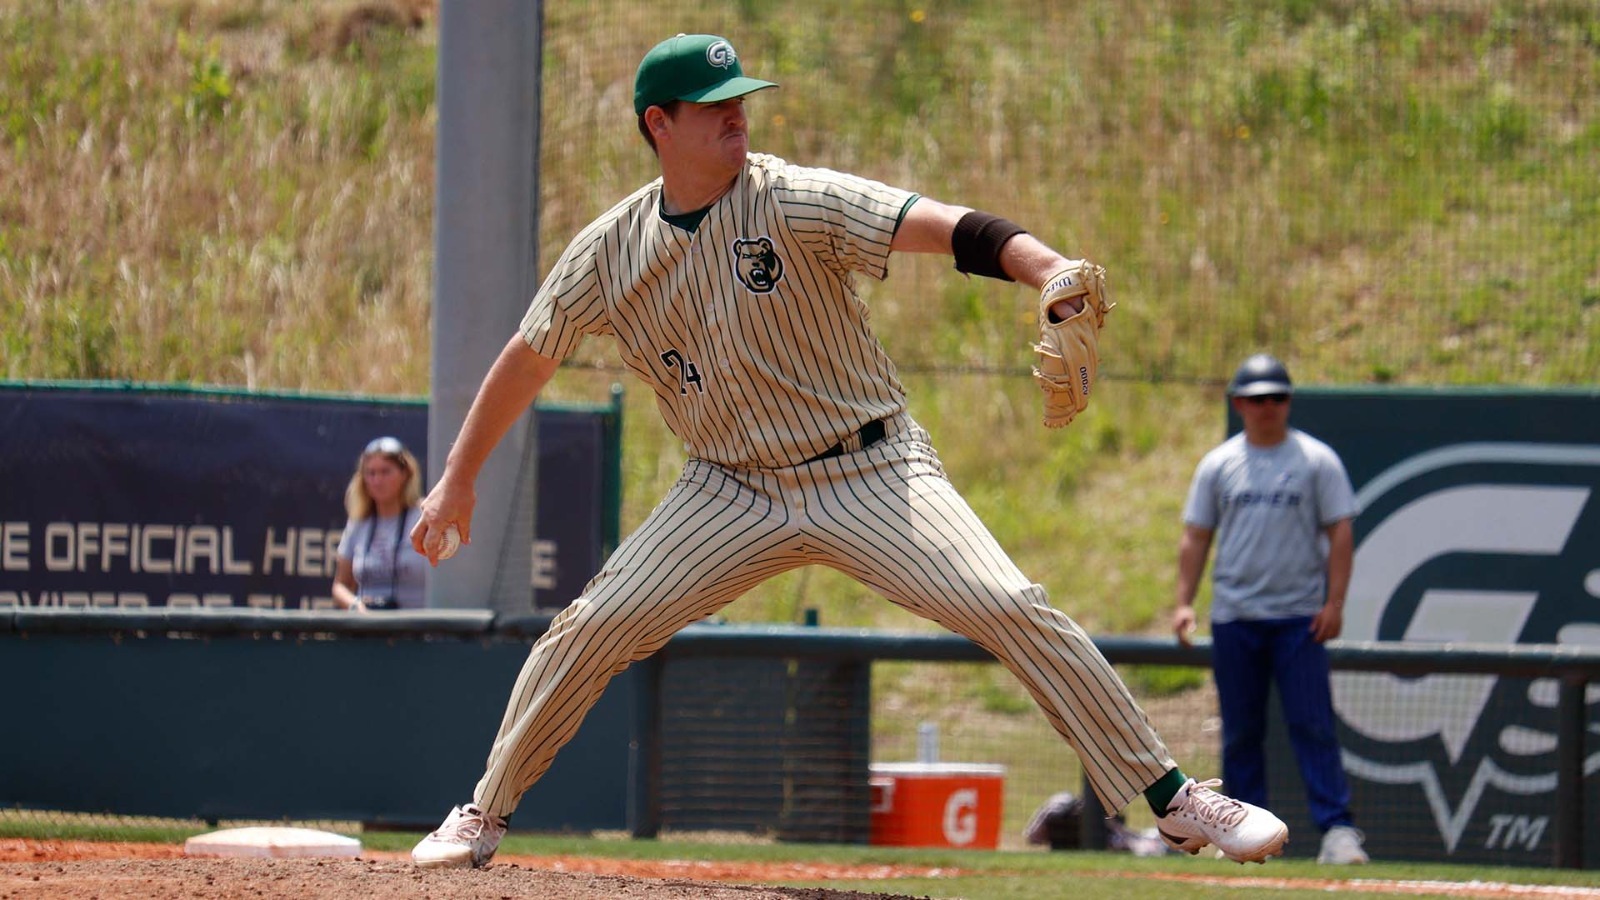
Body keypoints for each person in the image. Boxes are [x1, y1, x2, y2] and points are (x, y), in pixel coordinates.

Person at [407, 33, 1289, 869]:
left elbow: (942, 226)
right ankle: (484, 809)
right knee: (590, 627)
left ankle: (1174, 796)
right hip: (727, 489)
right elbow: (527, 359)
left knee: (1010, 604)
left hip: (871, 468)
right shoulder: (608, 251)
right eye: (712, 105)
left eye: (741, 99)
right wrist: (454, 484)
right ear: (658, 125)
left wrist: (1045, 264)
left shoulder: (790, 195)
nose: (737, 115)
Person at [1172, 353, 1368, 865]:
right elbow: (1196, 536)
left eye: (1277, 397)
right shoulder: (1218, 464)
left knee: (1313, 725)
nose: (1267, 407)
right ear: (1238, 403)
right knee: (1241, 732)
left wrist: (1335, 602)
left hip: (1299, 620)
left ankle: (1338, 831)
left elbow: (1340, 533)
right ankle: (1243, 832)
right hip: (1236, 618)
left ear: (1289, 403)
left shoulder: (1316, 461)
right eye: (1257, 398)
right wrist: (1183, 604)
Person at [332, 436, 427, 611]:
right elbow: (340, 586)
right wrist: (355, 606)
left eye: (385, 472)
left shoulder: (424, 516)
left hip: (416, 629)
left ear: (405, 474)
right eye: (371, 473)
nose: (377, 480)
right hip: (369, 629)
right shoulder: (358, 523)